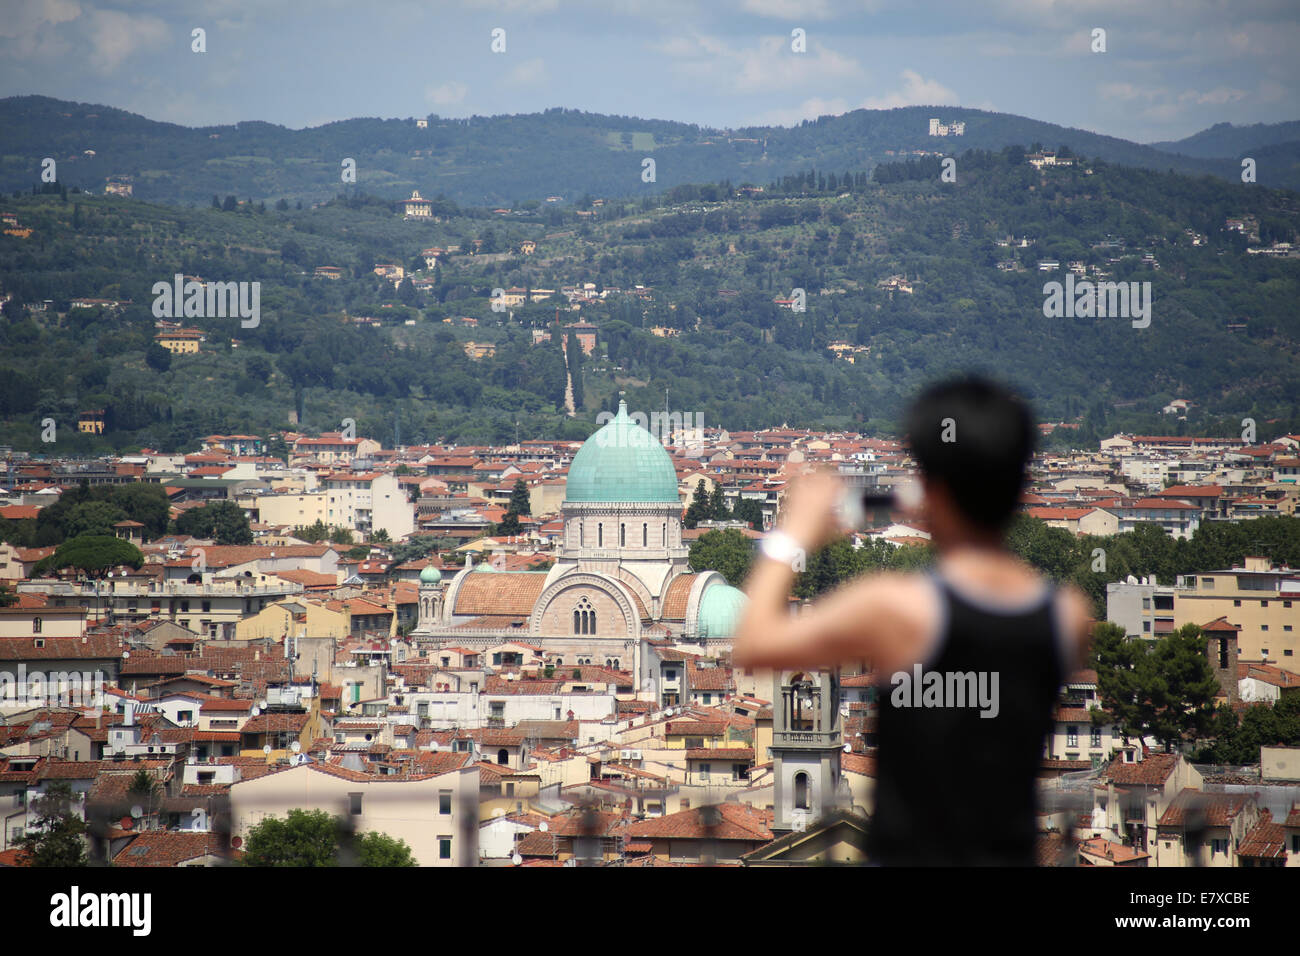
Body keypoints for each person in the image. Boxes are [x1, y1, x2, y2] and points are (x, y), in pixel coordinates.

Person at [732, 377, 1092, 865]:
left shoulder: (898, 609)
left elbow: (754, 643)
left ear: (930, 485)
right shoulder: (1068, 616)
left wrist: (792, 534)